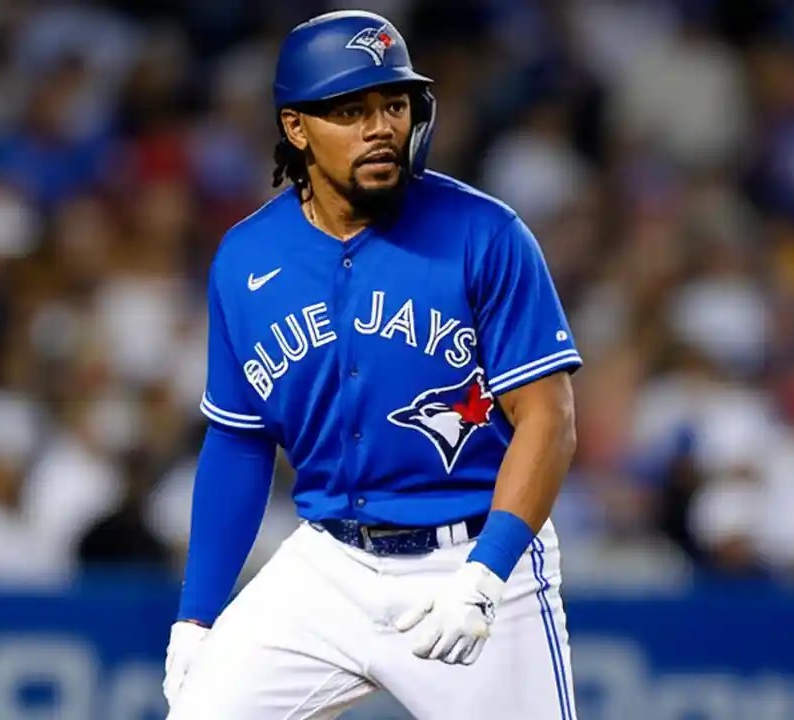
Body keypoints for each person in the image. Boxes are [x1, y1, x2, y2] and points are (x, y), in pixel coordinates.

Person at [162, 10, 582, 719]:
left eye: (393, 103)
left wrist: (487, 575)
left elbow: (549, 417)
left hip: (474, 553)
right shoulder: (246, 259)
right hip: (330, 564)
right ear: (297, 129)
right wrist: (197, 616)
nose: (381, 125)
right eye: (351, 111)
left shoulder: (485, 234)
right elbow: (238, 439)